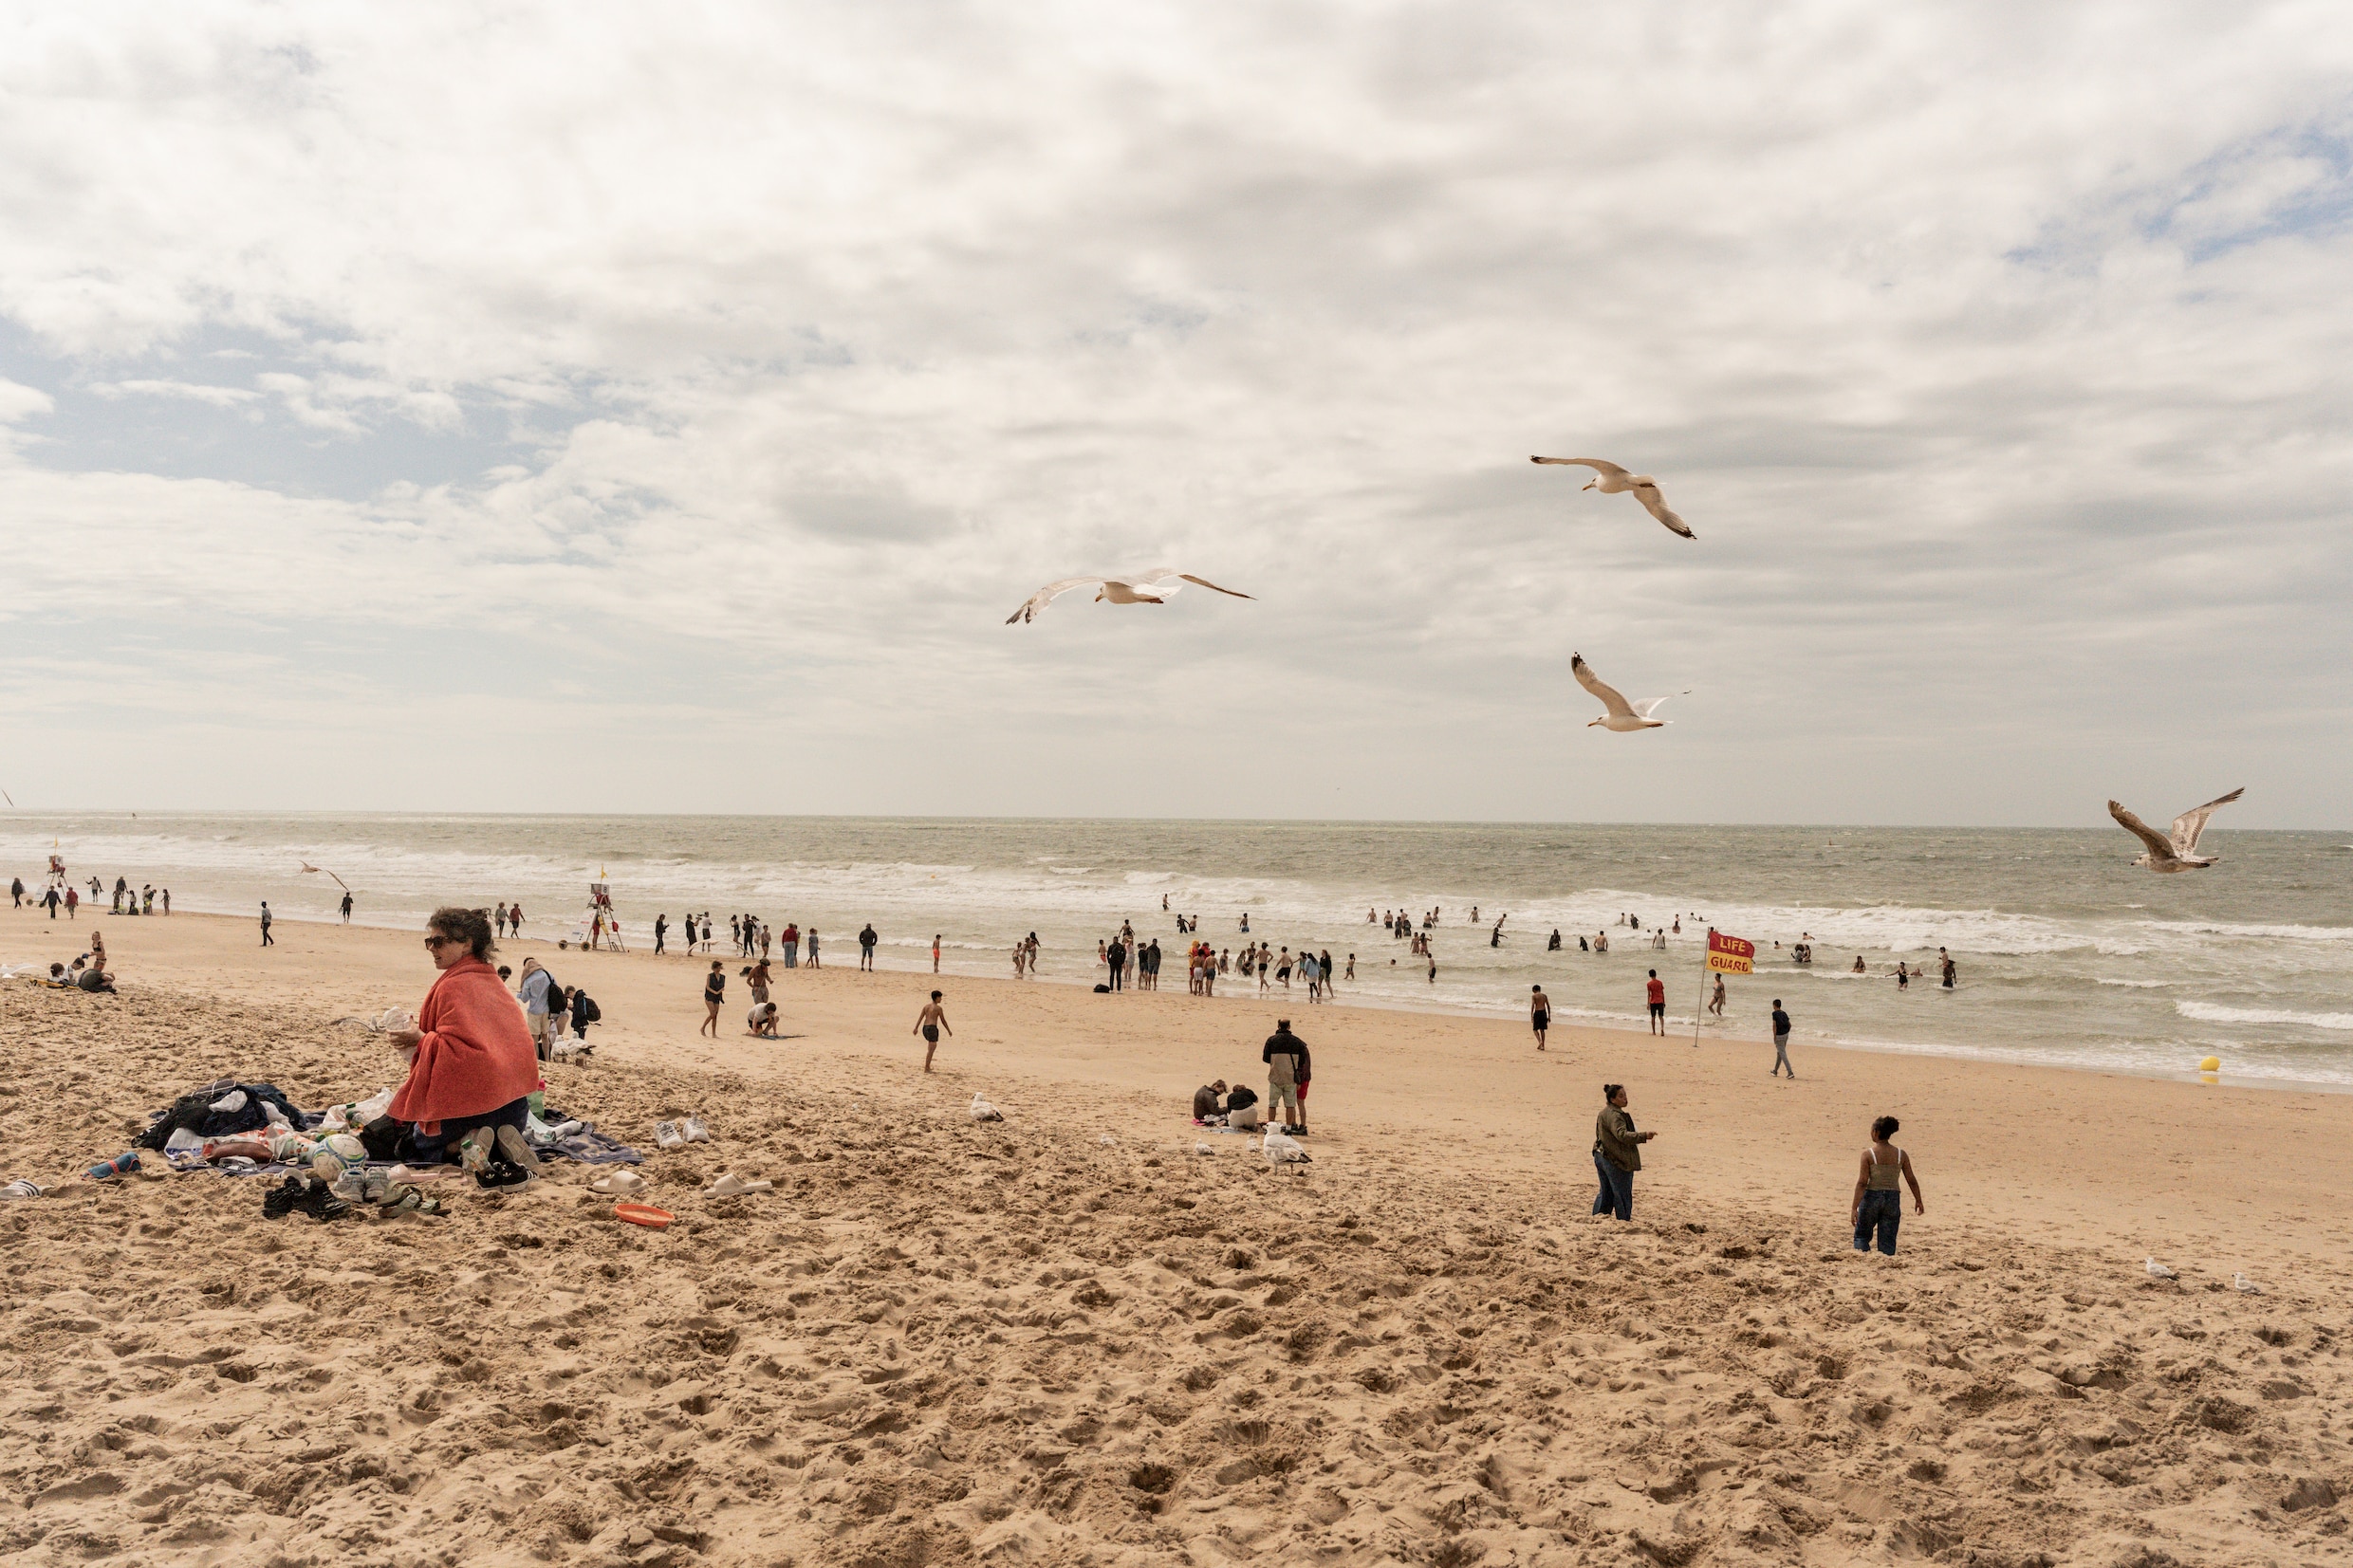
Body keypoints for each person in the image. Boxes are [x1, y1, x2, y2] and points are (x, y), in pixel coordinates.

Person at [386, 906, 540, 1174]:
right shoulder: (495, 983)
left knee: (417, 1144)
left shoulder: (451, 986)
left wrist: (420, 1039)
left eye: (439, 941)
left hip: (469, 1110)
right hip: (514, 1109)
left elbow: (457, 1055)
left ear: (467, 943)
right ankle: (501, 1143)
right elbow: (518, 1046)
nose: (432, 948)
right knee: (494, 1125)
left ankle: (463, 1143)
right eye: (428, 941)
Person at [1851, 1115, 1924, 1255]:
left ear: (1876, 1132)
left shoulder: (1868, 1154)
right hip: (1892, 1197)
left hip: (1871, 1195)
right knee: (1888, 1239)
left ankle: (1862, 1258)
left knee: (1862, 1235)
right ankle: (1886, 1258)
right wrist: (1918, 1199)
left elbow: (1862, 1182)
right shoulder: (1900, 1154)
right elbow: (1911, 1179)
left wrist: (1854, 1207)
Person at [1592, 1083, 1653, 1222]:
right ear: (1613, 1099)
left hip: (1601, 1155)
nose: (1625, 1098)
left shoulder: (1604, 1112)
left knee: (1606, 1192)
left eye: (1625, 1095)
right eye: (1621, 1096)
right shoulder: (1615, 1115)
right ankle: (1623, 1221)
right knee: (1622, 1194)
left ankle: (1598, 1219)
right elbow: (1622, 1135)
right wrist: (1644, 1136)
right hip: (1614, 1160)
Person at [1263, 1019, 1309, 1134]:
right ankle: (1289, 1128)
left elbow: (1265, 1058)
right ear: (1289, 1027)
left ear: (1278, 1026)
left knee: (1272, 1104)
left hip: (1275, 1076)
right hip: (1290, 1077)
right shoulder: (1297, 1041)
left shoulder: (1271, 1040)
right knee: (1290, 1105)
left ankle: (1271, 1126)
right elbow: (1302, 1060)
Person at [516, 957, 556, 1057]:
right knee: (545, 1037)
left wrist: (519, 995)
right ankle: (547, 1058)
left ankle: (536, 1059)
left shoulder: (528, 979)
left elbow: (525, 998)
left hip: (534, 1011)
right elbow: (555, 988)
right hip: (547, 1010)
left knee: (534, 1037)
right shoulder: (548, 975)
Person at [914, 990, 952, 1072]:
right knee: (932, 1048)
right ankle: (927, 1067)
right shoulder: (938, 1008)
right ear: (936, 998)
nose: (941, 999)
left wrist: (916, 1028)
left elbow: (920, 1018)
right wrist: (948, 1030)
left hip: (925, 1028)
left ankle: (927, 1066)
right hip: (932, 1028)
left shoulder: (926, 1007)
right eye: (940, 997)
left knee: (930, 1047)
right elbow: (943, 1021)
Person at [1769, 999, 1794, 1078]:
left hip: (1779, 1035)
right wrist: (1786, 1032)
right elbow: (1790, 1025)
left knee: (1782, 1054)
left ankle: (1790, 1072)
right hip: (1786, 1034)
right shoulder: (1784, 1013)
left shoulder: (1774, 1014)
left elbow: (1774, 1026)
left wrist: (1774, 1036)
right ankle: (1775, 1071)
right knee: (1780, 1052)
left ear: (1774, 1005)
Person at [701, 961, 725, 1038]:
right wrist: (715, 992)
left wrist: (718, 992)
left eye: (718, 968)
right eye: (716, 968)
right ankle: (703, 1028)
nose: (718, 969)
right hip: (709, 996)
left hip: (717, 997)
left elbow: (723, 987)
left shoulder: (722, 977)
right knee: (713, 1013)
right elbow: (707, 986)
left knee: (715, 1015)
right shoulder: (710, 976)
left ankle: (713, 1033)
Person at [1645, 969, 1666, 1036]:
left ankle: (1654, 1031)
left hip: (1653, 1001)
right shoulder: (1660, 982)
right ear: (1655, 974)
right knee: (1661, 1016)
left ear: (1649, 975)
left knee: (1653, 1017)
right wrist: (1664, 1001)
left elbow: (1649, 994)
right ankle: (1662, 1028)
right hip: (1660, 1001)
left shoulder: (1649, 984)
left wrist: (1648, 1004)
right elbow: (1662, 993)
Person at [1530, 984, 1550, 1050]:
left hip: (1537, 1012)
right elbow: (1548, 1006)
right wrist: (1549, 1016)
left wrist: (1531, 1015)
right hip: (1544, 1012)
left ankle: (1540, 1041)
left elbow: (1533, 1005)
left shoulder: (1534, 996)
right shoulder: (1544, 996)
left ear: (1534, 990)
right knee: (1542, 1030)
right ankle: (1543, 1046)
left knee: (1535, 1029)